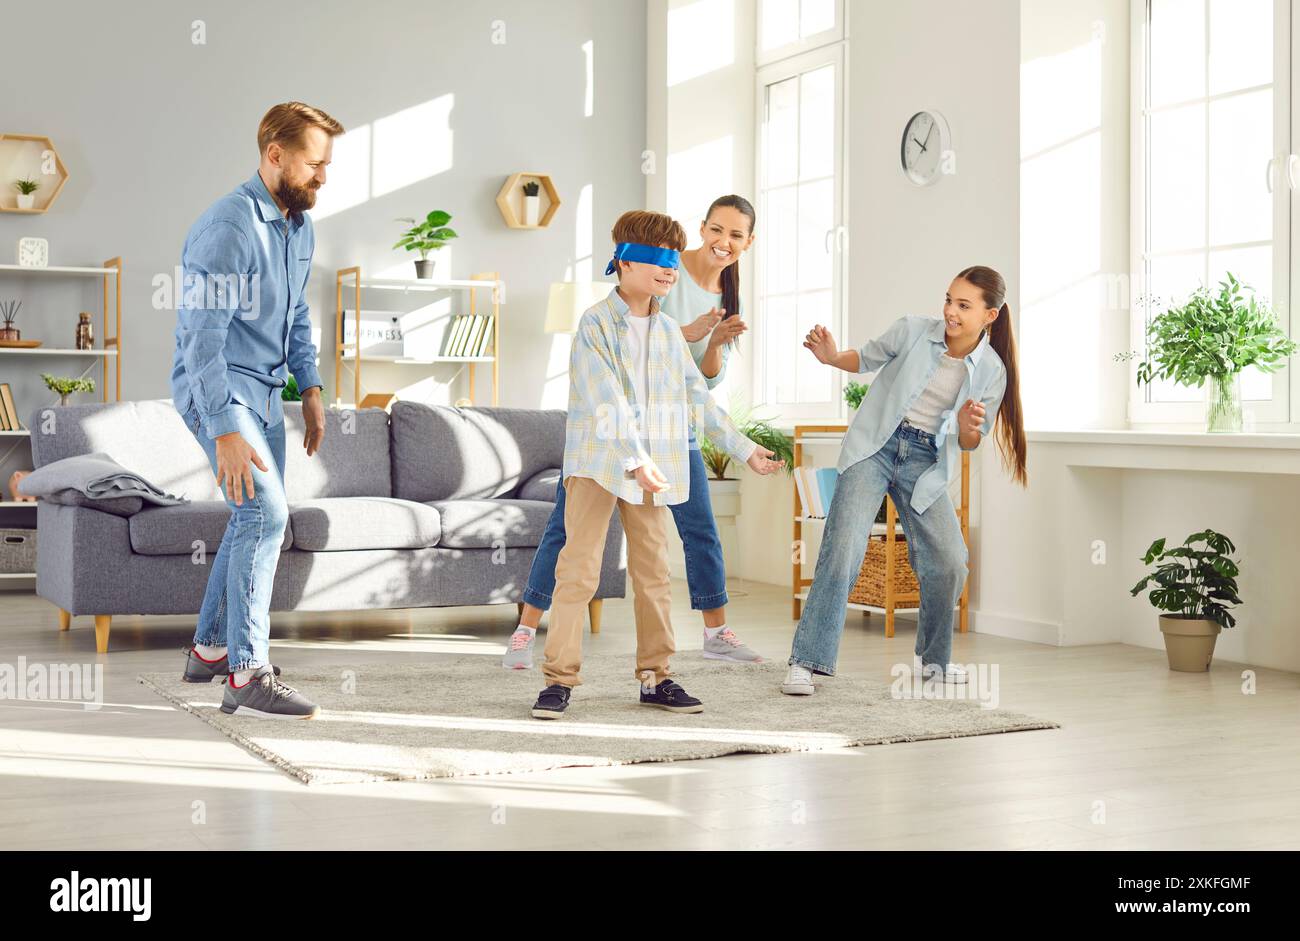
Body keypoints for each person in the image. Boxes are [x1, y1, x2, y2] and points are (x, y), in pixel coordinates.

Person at [531, 210, 785, 720]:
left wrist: (743, 448)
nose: (670, 271)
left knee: (652, 573)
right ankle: (559, 680)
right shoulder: (595, 325)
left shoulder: (669, 331)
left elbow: (698, 399)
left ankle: (656, 676)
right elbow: (605, 400)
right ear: (624, 264)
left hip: (653, 467)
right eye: (658, 262)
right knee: (578, 571)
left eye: (673, 263)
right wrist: (635, 458)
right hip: (599, 464)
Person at [171, 102, 344, 719]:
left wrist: (313, 388)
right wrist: (221, 428)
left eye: (328, 164)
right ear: (275, 154)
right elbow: (202, 341)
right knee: (266, 517)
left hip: (267, 393)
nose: (324, 176)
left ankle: (211, 650)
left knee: (252, 517)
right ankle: (248, 673)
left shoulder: (299, 226)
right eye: (314, 163)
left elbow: (296, 314)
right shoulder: (230, 227)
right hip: (217, 390)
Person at [781, 266, 1027, 695]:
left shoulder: (992, 370)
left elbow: (970, 442)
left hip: (925, 463)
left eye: (964, 305)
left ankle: (934, 661)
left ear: (990, 316)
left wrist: (970, 424)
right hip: (874, 447)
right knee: (843, 550)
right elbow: (865, 358)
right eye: (949, 299)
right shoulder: (914, 330)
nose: (950, 311)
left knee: (951, 561)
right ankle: (807, 661)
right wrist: (833, 357)